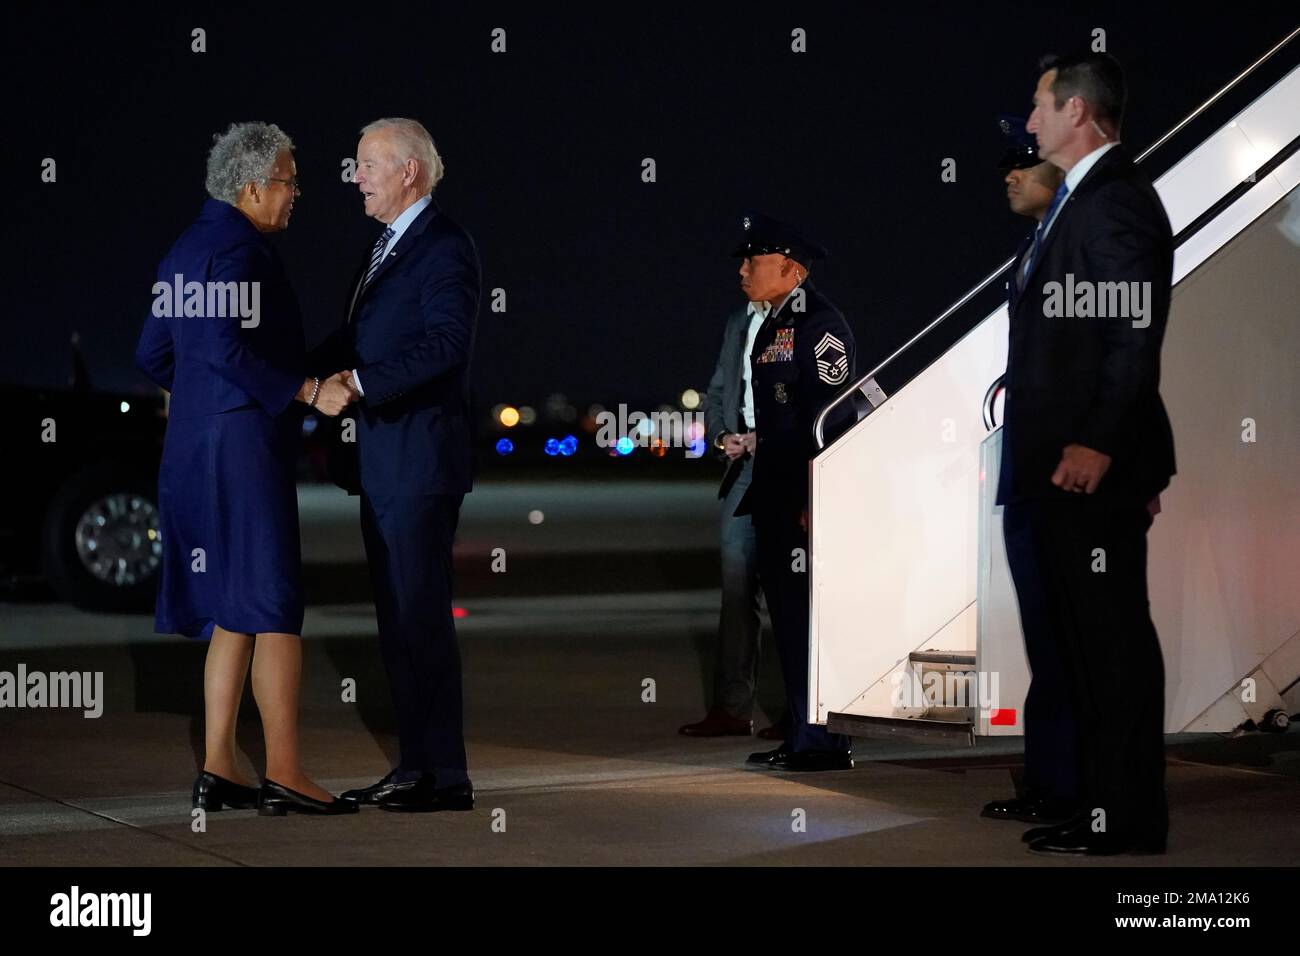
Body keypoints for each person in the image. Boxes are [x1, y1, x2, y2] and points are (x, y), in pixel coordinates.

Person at [135, 121, 358, 817]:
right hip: (242, 458)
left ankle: (221, 765)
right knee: (273, 607)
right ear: (252, 186)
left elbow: (154, 354)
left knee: (233, 611)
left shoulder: (182, 251)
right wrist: (306, 390)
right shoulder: (241, 250)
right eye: (290, 182)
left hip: (188, 456)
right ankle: (286, 772)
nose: (296, 195)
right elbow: (229, 350)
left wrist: (203, 398)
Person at [997, 54, 1175, 855]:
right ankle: (1096, 804)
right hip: (1057, 466)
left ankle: (1128, 819)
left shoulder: (1113, 206)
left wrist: (1100, 442)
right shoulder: (1075, 204)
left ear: (1077, 112)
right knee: (1079, 646)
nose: (1029, 123)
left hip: (1087, 468)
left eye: (1039, 107)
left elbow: (1132, 338)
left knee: (1111, 647)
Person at [309, 118, 481, 813]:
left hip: (418, 462)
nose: (357, 177)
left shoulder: (443, 247)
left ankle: (446, 776)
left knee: (420, 620)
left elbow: (447, 346)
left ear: (410, 170)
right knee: (397, 623)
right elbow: (348, 338)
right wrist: (273, 368)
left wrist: (359, 383)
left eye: (368, 164)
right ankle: (415, 766)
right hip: (382, 465)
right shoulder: (385, 248)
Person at [980, 116, 1081, 828]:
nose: (1010, 176)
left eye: (1024, 162)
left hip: (1062, 472)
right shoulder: (1033, 248)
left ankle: (1080, 793)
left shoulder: (1080, 244)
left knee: (1072, 641)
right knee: (1045, 640)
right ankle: (1050, 783)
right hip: (1027, 469)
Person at [733, 213, 858, 772]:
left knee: (808, 615)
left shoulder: (821, 326)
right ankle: (801, 729)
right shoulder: (770, 326)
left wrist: (817, 495)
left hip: (804, 495)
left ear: (790, 268)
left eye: (753, 261)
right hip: (776, 491)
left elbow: (830, 417)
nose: (743, 270)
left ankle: (824, 739)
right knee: (785, 614)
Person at [678, 295, 772, 738]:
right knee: (736, 592)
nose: (742, 272)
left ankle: (805, 714)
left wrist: (766, 436)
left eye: (753, 261)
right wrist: (722, 436)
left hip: (783, 465)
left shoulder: (807, 319)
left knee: (792, 593)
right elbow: (717, 390)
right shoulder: (739, 320)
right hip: (741, 468)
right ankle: (731, 709)